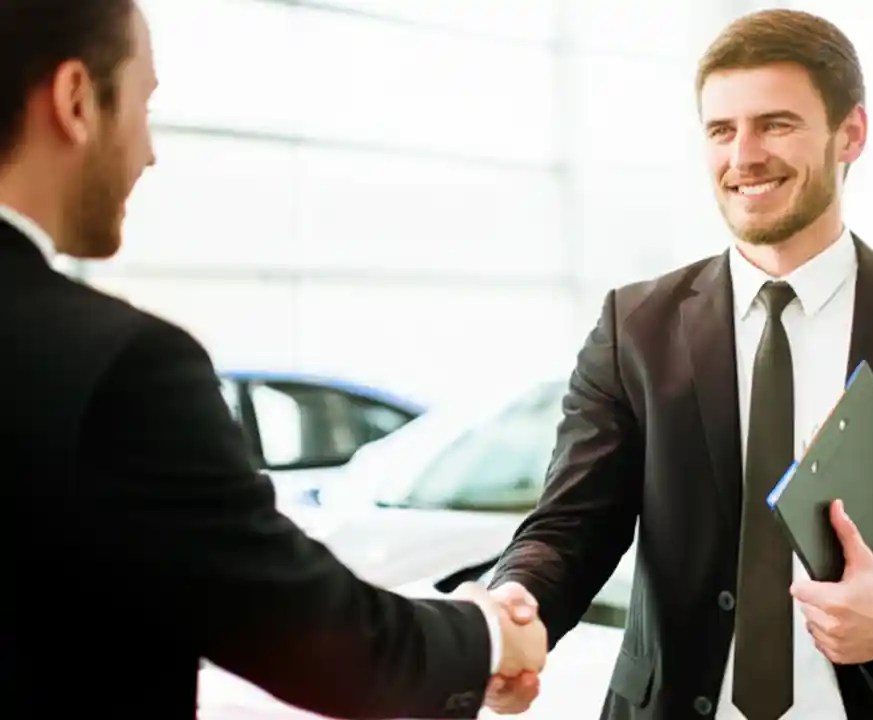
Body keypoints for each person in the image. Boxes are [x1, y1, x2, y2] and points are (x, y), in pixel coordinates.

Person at [483, 9, 873, 719]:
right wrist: (514, 605)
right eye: (721, 130)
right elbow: (569, 529)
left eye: (776, 124)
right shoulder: (634, 327)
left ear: (851, 133)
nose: (744, 155)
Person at [0, 2, 544, 717]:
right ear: (76, 100)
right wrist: (491, 637)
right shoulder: (119, 367)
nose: (149, 151)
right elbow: (309, 632)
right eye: (145, 104)